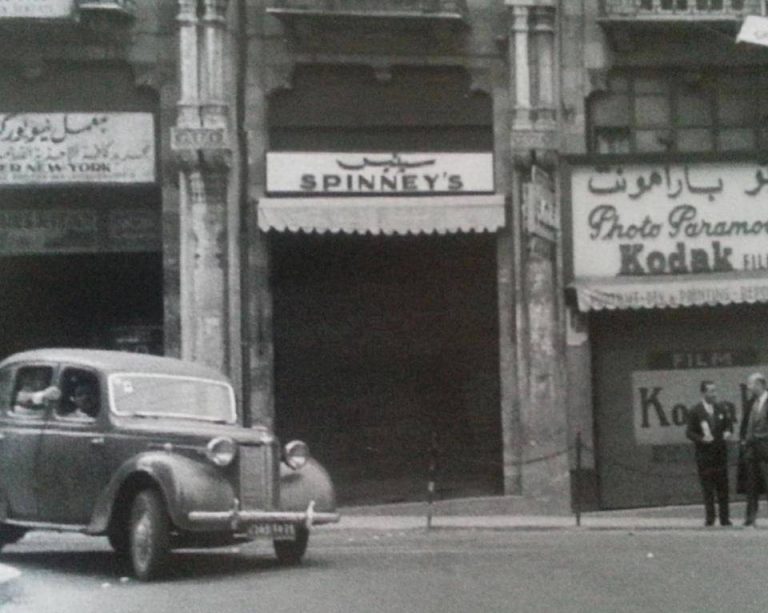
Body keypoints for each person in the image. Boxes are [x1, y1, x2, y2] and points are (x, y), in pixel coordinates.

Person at [685, 380, 733, 527]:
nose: (714, 394)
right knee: (708, 490)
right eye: (711, 391)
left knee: (723, 489)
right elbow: (689, 432)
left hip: (720, 455)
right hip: (705, 457)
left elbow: (729, 426)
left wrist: (728, 432)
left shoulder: (721, 408)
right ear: (703, 393)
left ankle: (725, 519)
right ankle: (710, 518)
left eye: (715, 391)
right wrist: (701, 439)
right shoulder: (695, 411)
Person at [742, 373, 768, 526]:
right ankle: (750, 517)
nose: (749, 387)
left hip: (765, 447)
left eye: (750, 384)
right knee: (751, 484)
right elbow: (749, 425)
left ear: (759, 384)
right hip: (753, 449)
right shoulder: (753, 403)